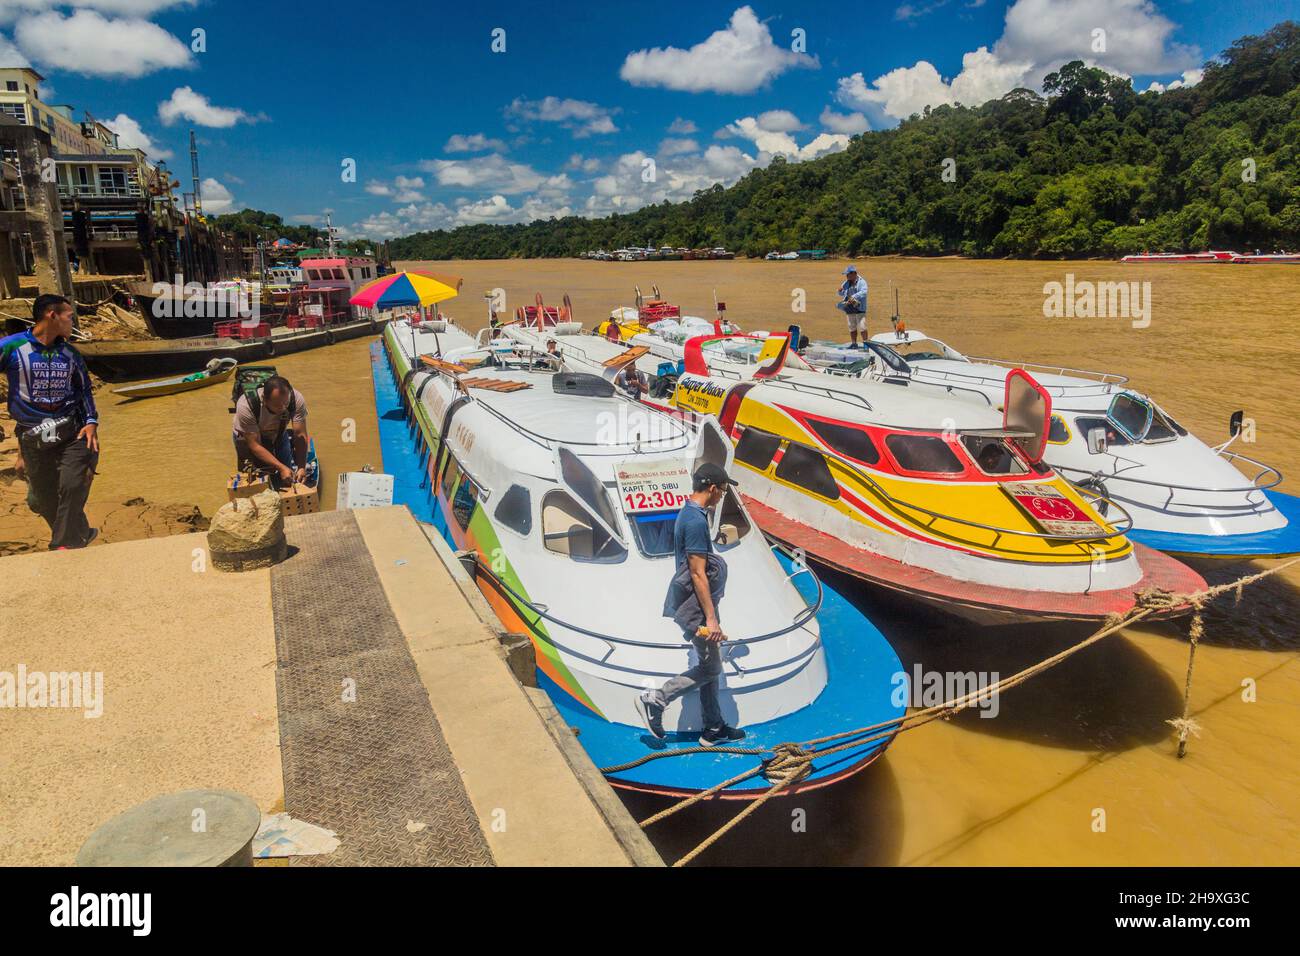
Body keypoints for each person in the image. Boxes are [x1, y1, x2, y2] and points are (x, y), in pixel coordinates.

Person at [634, 463, 746, 747]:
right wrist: (711, 618)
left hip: (698, 605)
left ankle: (713, 727)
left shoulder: (689, 513)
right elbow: (697, 572)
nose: (722, 496)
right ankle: (657, 700)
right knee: (710, 669)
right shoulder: (696, 522)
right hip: (697, 609)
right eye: (722, 490)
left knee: (710, 662)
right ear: (712, 489)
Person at [1, 294, 100, 549]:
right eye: (69, 317)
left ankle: (61, 546)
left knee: (72, 484)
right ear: (51, 315)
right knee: (43, 499)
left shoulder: (71, 354)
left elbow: (84, 390)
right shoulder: (11, 348)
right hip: (33, 435)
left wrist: (91, 421)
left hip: (73, 431)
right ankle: (81, 532)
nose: (73, 322)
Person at [231, 374, 311, 488]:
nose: (283, 408)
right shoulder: (246, 405)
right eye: (278, 405)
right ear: (264, 399)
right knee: (258, 479)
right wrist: (280, 467)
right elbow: (255, 445)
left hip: (278, 432)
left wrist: (301, 466)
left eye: (285, 403)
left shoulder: (296, 399)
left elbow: (300, 434)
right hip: (248, 437)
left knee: (288, 477)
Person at [836, 265, 869, 348]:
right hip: (849, 307)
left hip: (859, 307)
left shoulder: (862, 282)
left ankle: (866, 344)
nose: (846, 276)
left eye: (848, 274)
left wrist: (854, 296)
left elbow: (864, 292)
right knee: (851, 326)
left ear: (854, 273)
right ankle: (854, 343)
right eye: (846, 275)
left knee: (862, 327)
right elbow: (842, 294)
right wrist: (839, 291)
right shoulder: (846, 283)